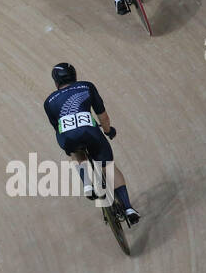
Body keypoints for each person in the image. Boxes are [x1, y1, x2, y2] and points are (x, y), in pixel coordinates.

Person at [44, 63, 139, 225]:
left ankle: (87, 185)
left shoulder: (49, 101)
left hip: (67, 137)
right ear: (74, 75)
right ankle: (129, 208)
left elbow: (58, 128)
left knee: (75, 152)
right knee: (108, 166)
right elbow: (103, 117)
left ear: (56, 82)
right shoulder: (86, 86)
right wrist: (108, 131)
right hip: (90, 132)